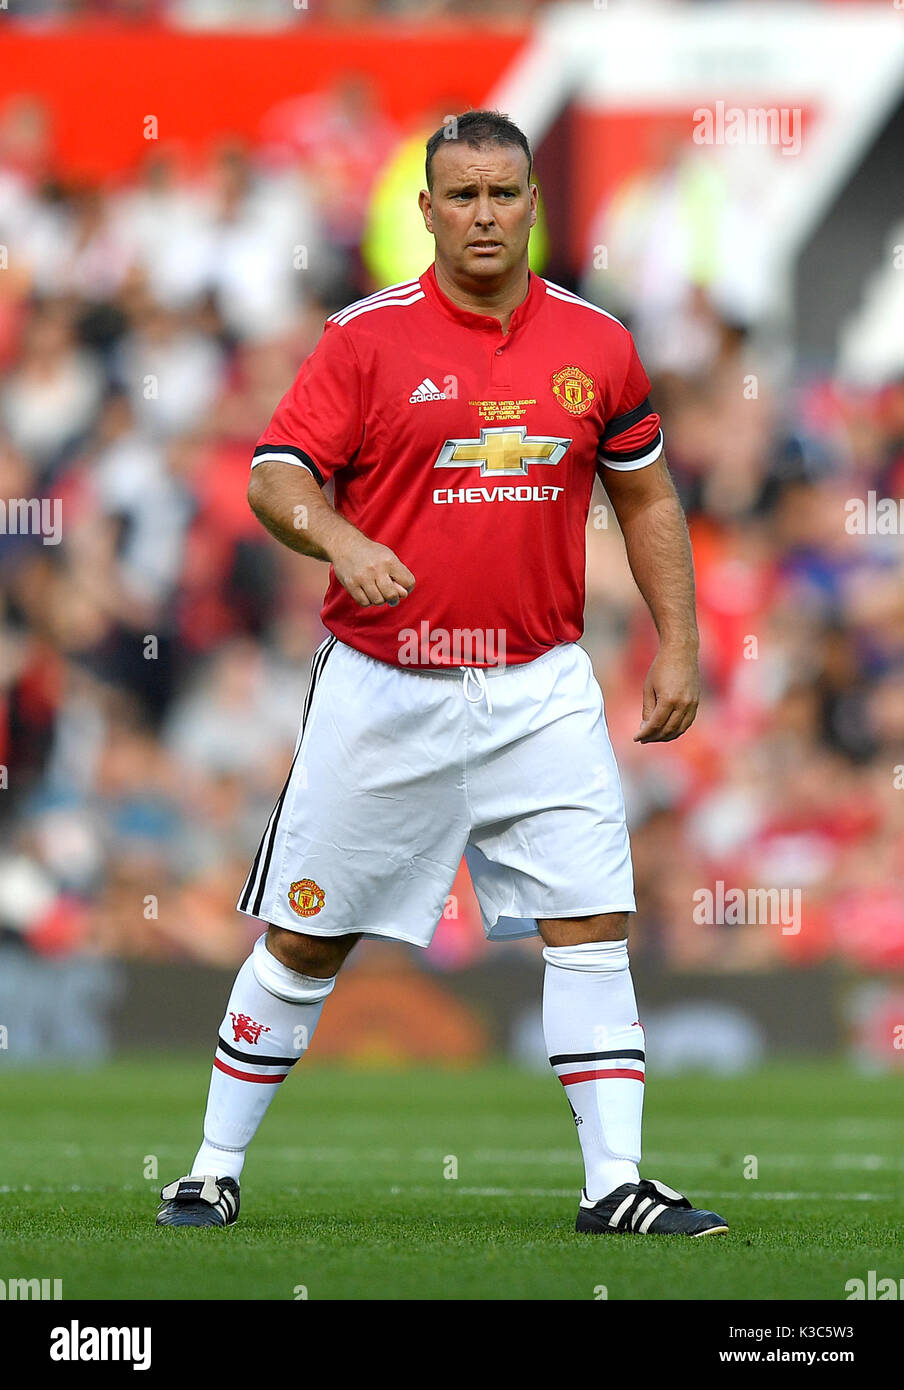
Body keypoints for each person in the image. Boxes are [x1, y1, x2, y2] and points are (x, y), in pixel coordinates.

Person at [156, 110, 727, 1238]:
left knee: (592, 922)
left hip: (541, 682)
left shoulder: (597, 343)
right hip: (387, 681)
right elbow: (276, 475)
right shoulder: (363, 339)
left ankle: (614, 1184)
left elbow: (647, 495)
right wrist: (340, 537)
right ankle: (210, 1166)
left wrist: (681, 641)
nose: (482, 215)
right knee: (307, 937)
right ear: (424, 210)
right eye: (460, 196)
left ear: (531, 205)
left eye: (502, 194)